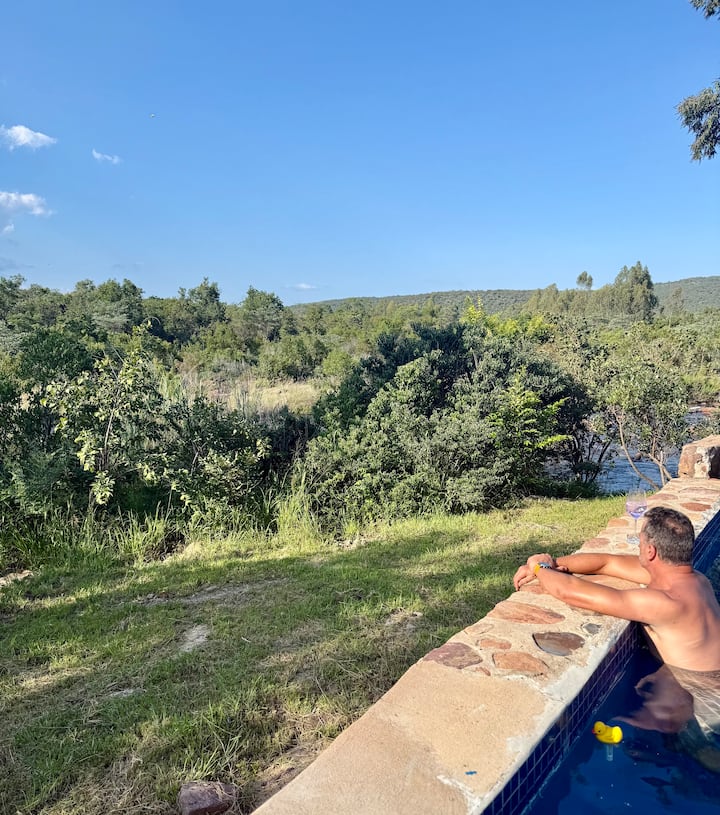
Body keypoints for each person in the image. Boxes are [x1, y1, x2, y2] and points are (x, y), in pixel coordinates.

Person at [512, 506, 720, 673]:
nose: (638, 546)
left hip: (701, 692)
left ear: (650, 551)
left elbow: (568, 591)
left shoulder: (663, 603)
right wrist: (553, 563)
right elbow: (607, 562)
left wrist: (539, 566)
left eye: (640, 541)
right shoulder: (697, 580)